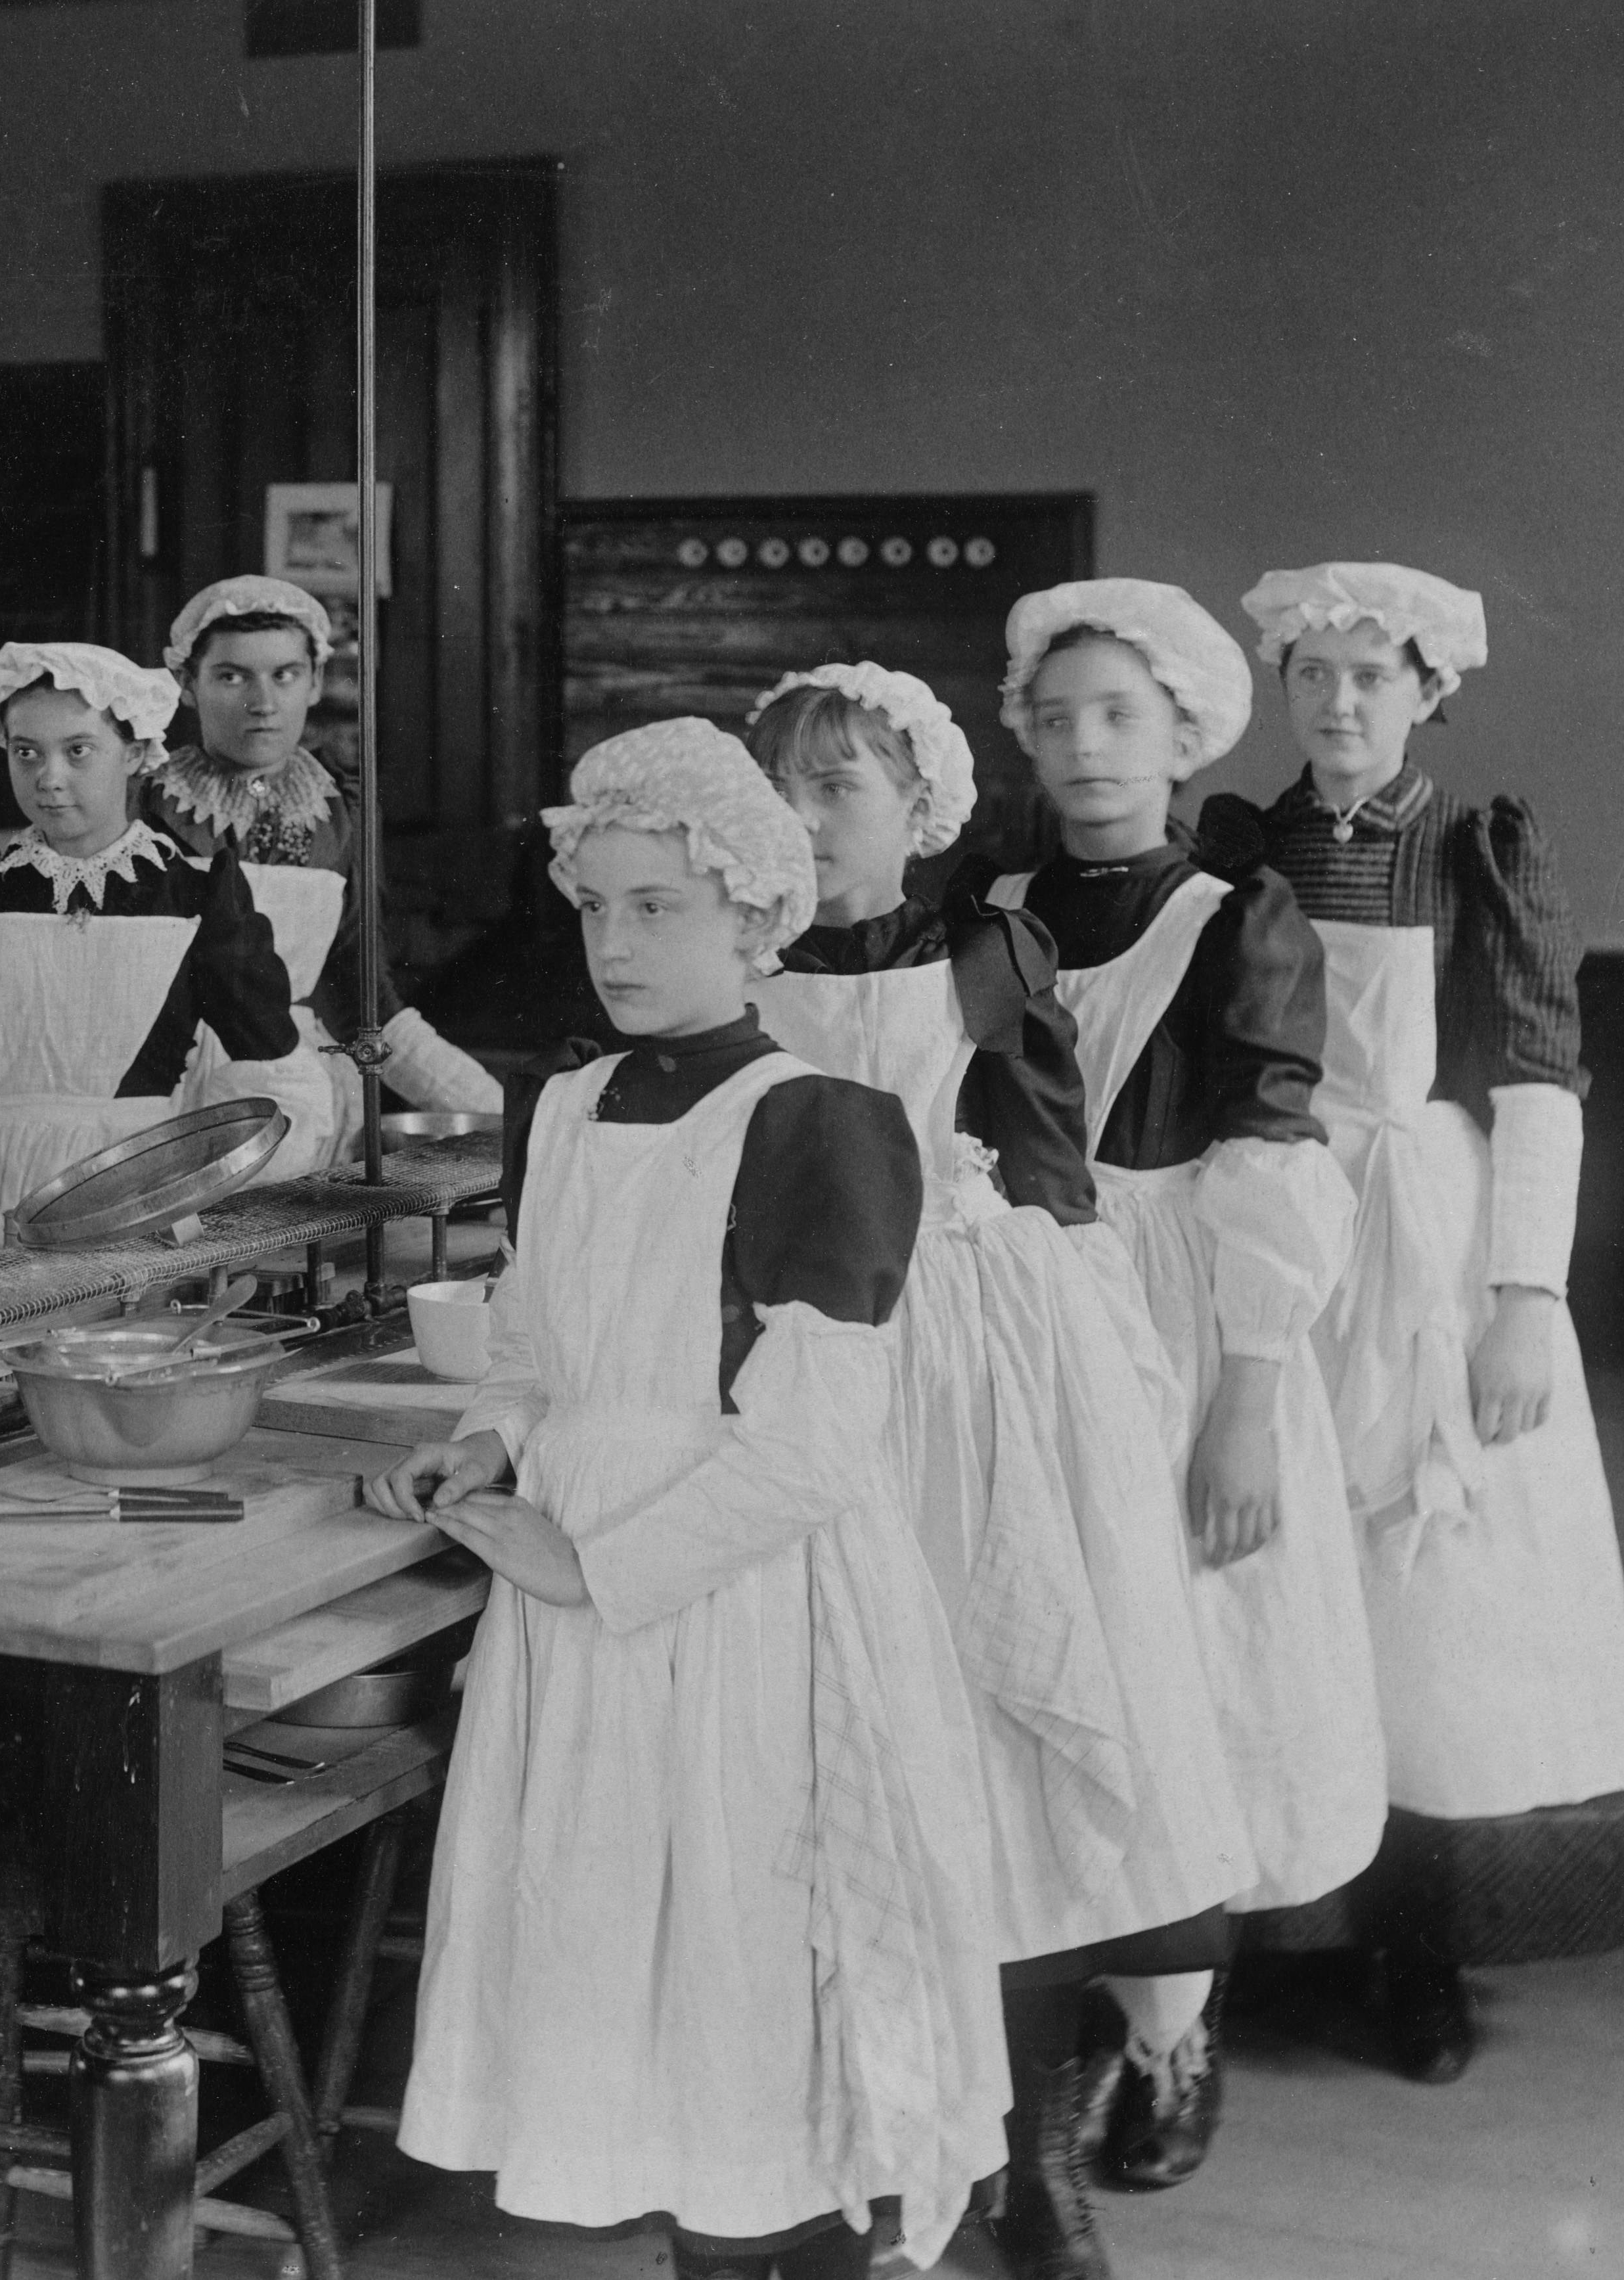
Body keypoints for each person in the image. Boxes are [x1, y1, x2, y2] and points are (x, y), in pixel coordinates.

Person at [365, 721, 1006, 2280]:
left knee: (746, 1970)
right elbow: (534, 1340)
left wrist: (591, 1563)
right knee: (625, 1981)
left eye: (657, 906)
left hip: (734, 1602)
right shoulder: (564, 1105)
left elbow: (812, 1449)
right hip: (577, 1602)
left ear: (754, 915)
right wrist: (487, 1443)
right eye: (595, 906)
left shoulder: (816, 1122)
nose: (615, 942)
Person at [746, 664, 1251, 2280]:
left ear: (919, 810)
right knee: (825, 1768)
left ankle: (1021, 2154)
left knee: (999, 1769)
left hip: (960, 1388)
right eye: (781, 787)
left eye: (838, 788)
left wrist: (1102, 1404)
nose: (805, 820)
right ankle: (848, 2148)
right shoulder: (730, 962)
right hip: (783, 1383)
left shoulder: (985, 955)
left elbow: (1052, 1186)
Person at [1229, 563, 1624, 2080]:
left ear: (1427, 692)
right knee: (1283, 1580)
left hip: (1432, 1250)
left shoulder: (1478, 851)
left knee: (1437, 1603)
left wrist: (1523, 1297)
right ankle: (1287, 1926)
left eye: (1370, 675)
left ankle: (1420, 1950)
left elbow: (1536, 1079)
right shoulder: (1241, 849)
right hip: (1275, 1230)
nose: (1338, 702)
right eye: (1311, 674)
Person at [988, 580, 1384, 2197]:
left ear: (1181, 736)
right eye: (1056, 716)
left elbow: (1270, 1159)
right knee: (1032, 1654)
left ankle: (1167, 2029)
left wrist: (1244, 1400)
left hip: (1181, 1321)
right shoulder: (989, 903)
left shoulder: (1236, 914)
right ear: (1021, 736)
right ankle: (1026, 2035)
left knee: (1182, 1673)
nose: (1086, 745)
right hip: (1014, 1307)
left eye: (1119, 716)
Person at [0, 639, 332, 1229]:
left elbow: (280, 1082)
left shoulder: (193, 894)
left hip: (134, 1193)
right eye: (26, 753)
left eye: (78, 751)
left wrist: (187, 1188)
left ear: (136, 752)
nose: (49, 778)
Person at [141, 574, 501, 1156]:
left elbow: (369, 1006)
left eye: (284, 675)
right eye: (231, 677)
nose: (262, 703)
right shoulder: (143, 801)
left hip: (304, 1100)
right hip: (169, 1099)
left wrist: (504, 1115)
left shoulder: (341, 810)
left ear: (314, 683)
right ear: (186, 683)